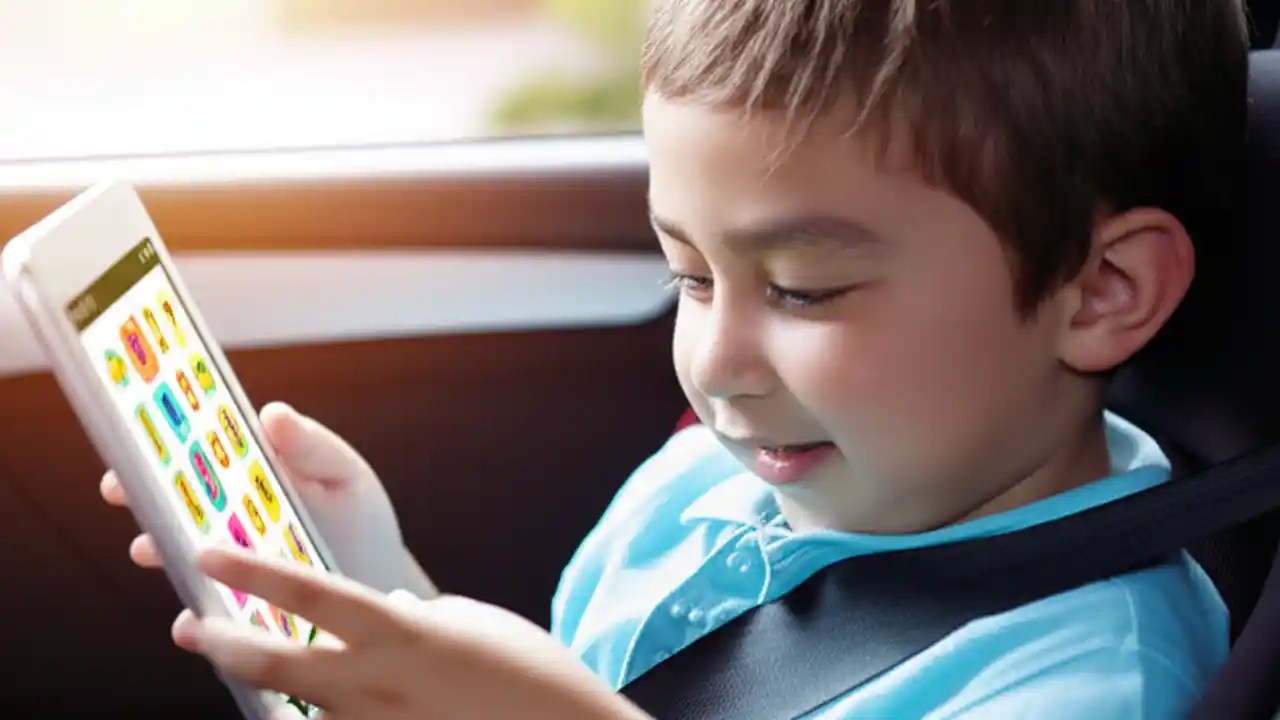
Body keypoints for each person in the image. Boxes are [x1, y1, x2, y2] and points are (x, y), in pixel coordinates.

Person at [99, 0, 1249, 717]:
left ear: (1100, 292)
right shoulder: (705, 481)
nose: (714, 361)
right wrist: (382, 587)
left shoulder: (1091, 676)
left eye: (802, 289)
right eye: (688, 276)